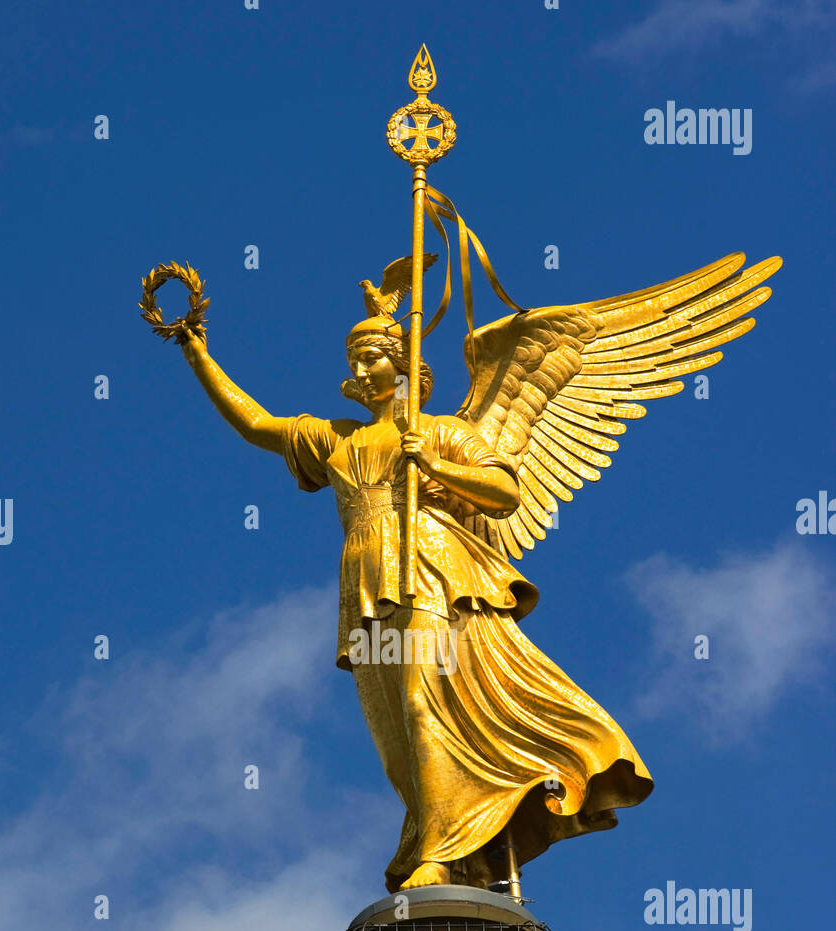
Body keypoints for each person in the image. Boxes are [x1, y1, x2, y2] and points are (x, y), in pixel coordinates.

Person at [179, 278, 653, 895]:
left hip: (432, 570)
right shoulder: (338, 438)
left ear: (403, 367)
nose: (359, 365)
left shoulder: (441, 433)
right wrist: (198, 353)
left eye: (372, 354)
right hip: (365, 581)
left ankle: (440, 849)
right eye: (355, 358)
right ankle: (455, 846)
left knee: (423, 700)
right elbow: (257, 425)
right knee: (394, 736)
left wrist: (434, 466)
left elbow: (504, 493)